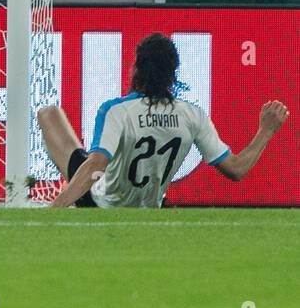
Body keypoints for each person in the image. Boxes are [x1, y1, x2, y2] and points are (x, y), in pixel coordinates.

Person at [37, 33, 288, 208]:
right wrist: (266, 130)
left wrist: (55, 208)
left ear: (136, 68)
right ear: (173, 74)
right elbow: (236, 169)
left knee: (49, 114)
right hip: (146, 206)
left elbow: (95, 166)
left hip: (100, 202)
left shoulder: (117, 110)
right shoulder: (192, 115)